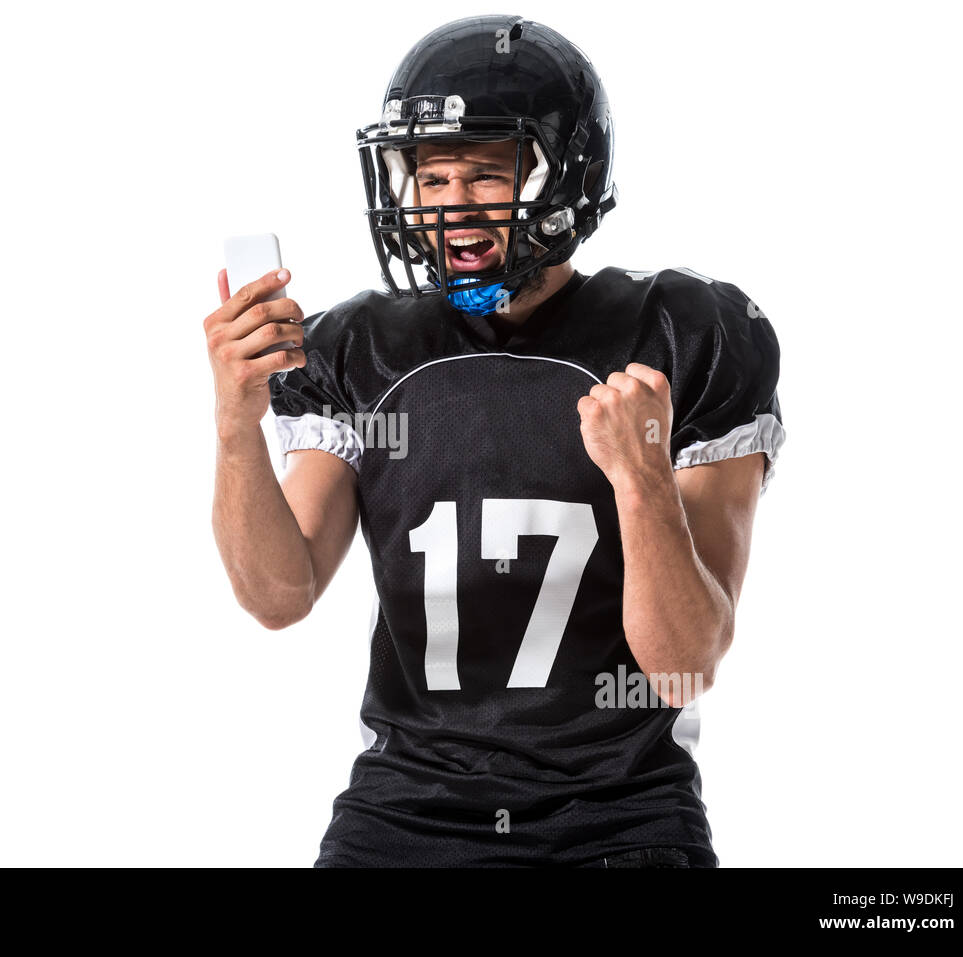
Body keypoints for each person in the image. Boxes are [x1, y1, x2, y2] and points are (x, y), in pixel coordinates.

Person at [203, 15, 785, 867]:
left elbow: (683, 667)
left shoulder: (681, 336)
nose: (452, 207)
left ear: (567, 175)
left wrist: (641, 479)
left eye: (483, 174)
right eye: (431, 178)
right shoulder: (360, 349)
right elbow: (277, 594)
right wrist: (235, 422)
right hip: (406, 807)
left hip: (618, 815)